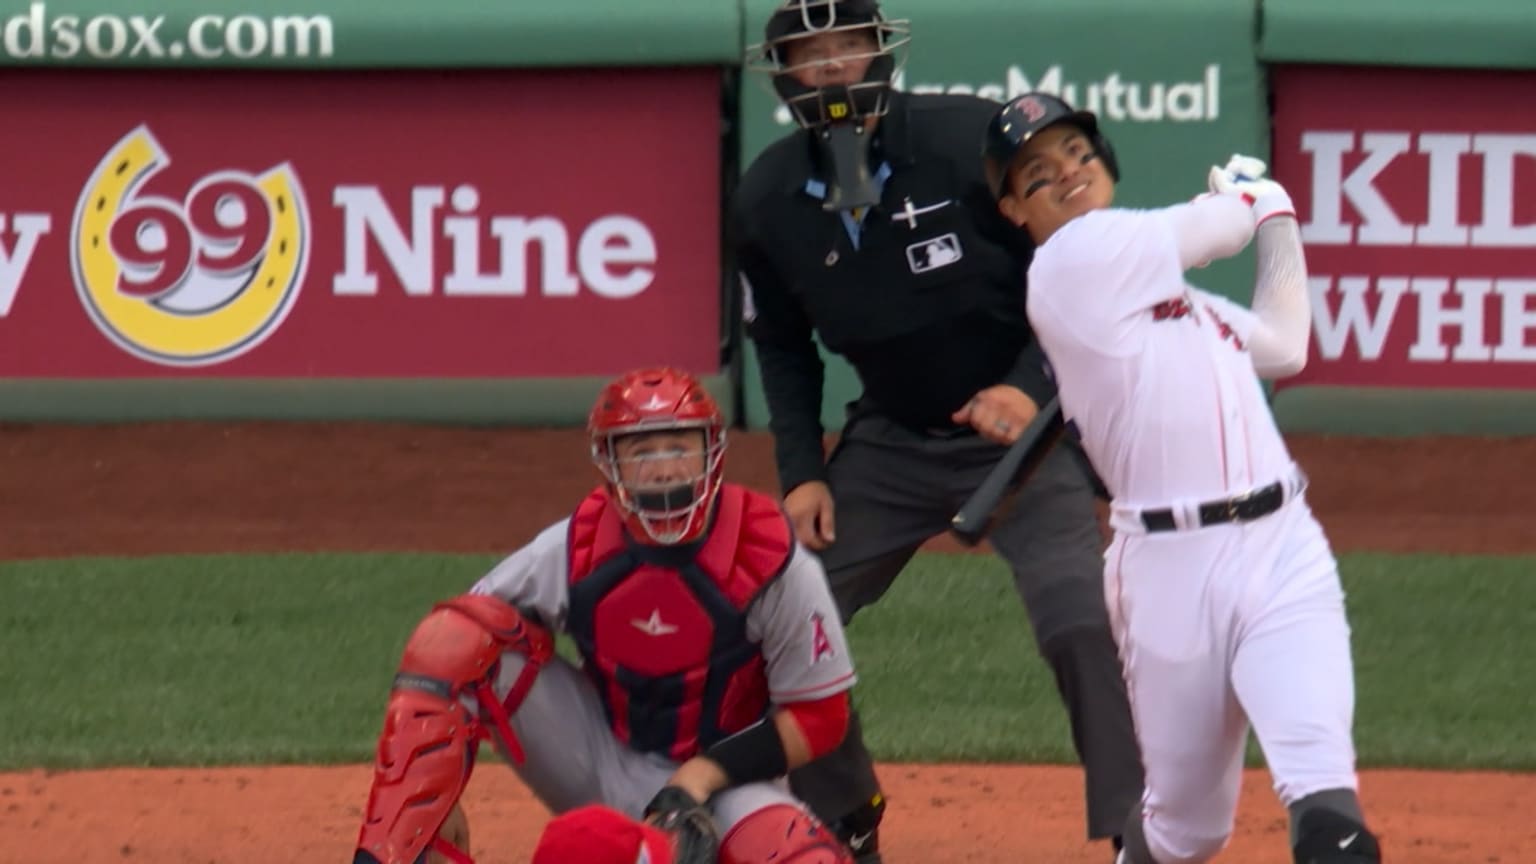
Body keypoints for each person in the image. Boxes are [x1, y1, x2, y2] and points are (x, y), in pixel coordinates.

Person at [734, 1, 1145, 859]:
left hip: (1025, 440)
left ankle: (1138, 836)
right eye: (812, 56)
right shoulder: (769, 194)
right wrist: (804, 470)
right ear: (783, 78)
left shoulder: (969, 140)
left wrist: (1026, 387)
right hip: (891, 440)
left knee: (1079, 622)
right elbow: (780, 342)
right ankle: (846, 818)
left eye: (850, 47)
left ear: (883, 54)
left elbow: (1078, 267)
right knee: (782, 623)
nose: (835, 69)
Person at [980, 91, 1384, 864]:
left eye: (1077, 153)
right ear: (1013, 210)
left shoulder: (1178, 304)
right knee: (1186, 832)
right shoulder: (1070, 261)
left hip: (1283, 551)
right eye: (1037, 171)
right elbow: (1214, 227)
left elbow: (1283, 343)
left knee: (1329, 811)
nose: (1067, 171)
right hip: (1169, 574)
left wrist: (1279, 223)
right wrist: (1249, 200)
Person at [351, 367, 858, 864]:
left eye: (680, 449)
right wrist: (441, 804)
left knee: (798, 854)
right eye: (641, 453)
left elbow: (821, 717)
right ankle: (398, 853)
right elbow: (451, 657)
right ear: (608, 464)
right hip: (596, 761)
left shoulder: (770, 556)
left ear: (712, 453)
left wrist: (698, 778)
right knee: (455, 637)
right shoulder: (578, 546)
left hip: (726, 785)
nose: (663, 469)